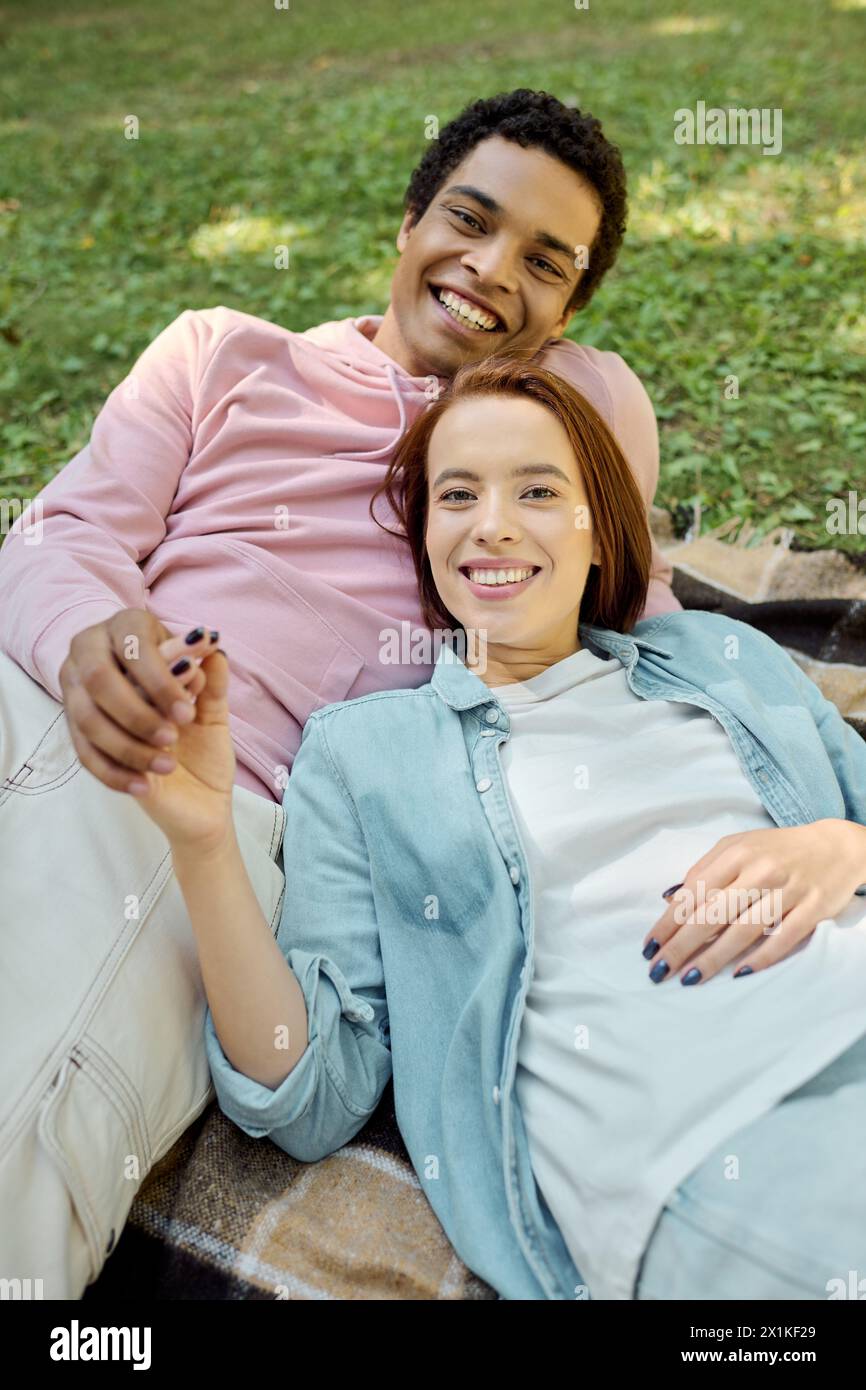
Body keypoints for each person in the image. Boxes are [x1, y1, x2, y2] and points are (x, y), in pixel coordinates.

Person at [0, 89, 681, 1297]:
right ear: (410, 217)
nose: (485, 269)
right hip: (37, 696)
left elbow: (637, 613)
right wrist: (85, 640)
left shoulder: (534, 445)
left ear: (571, 310)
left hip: (204, 818)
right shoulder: (219, 352)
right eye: (465, 220)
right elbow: (64, 529)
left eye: (542, 263)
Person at [132, 355, 866, 1301]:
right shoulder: (370, 755)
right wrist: (203, 846)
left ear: (600, 528)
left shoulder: (723, 655)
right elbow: (310, 1094)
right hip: (717, 1135)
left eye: (537, 489)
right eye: (458, 494)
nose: (492, 523)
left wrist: (840, 847)